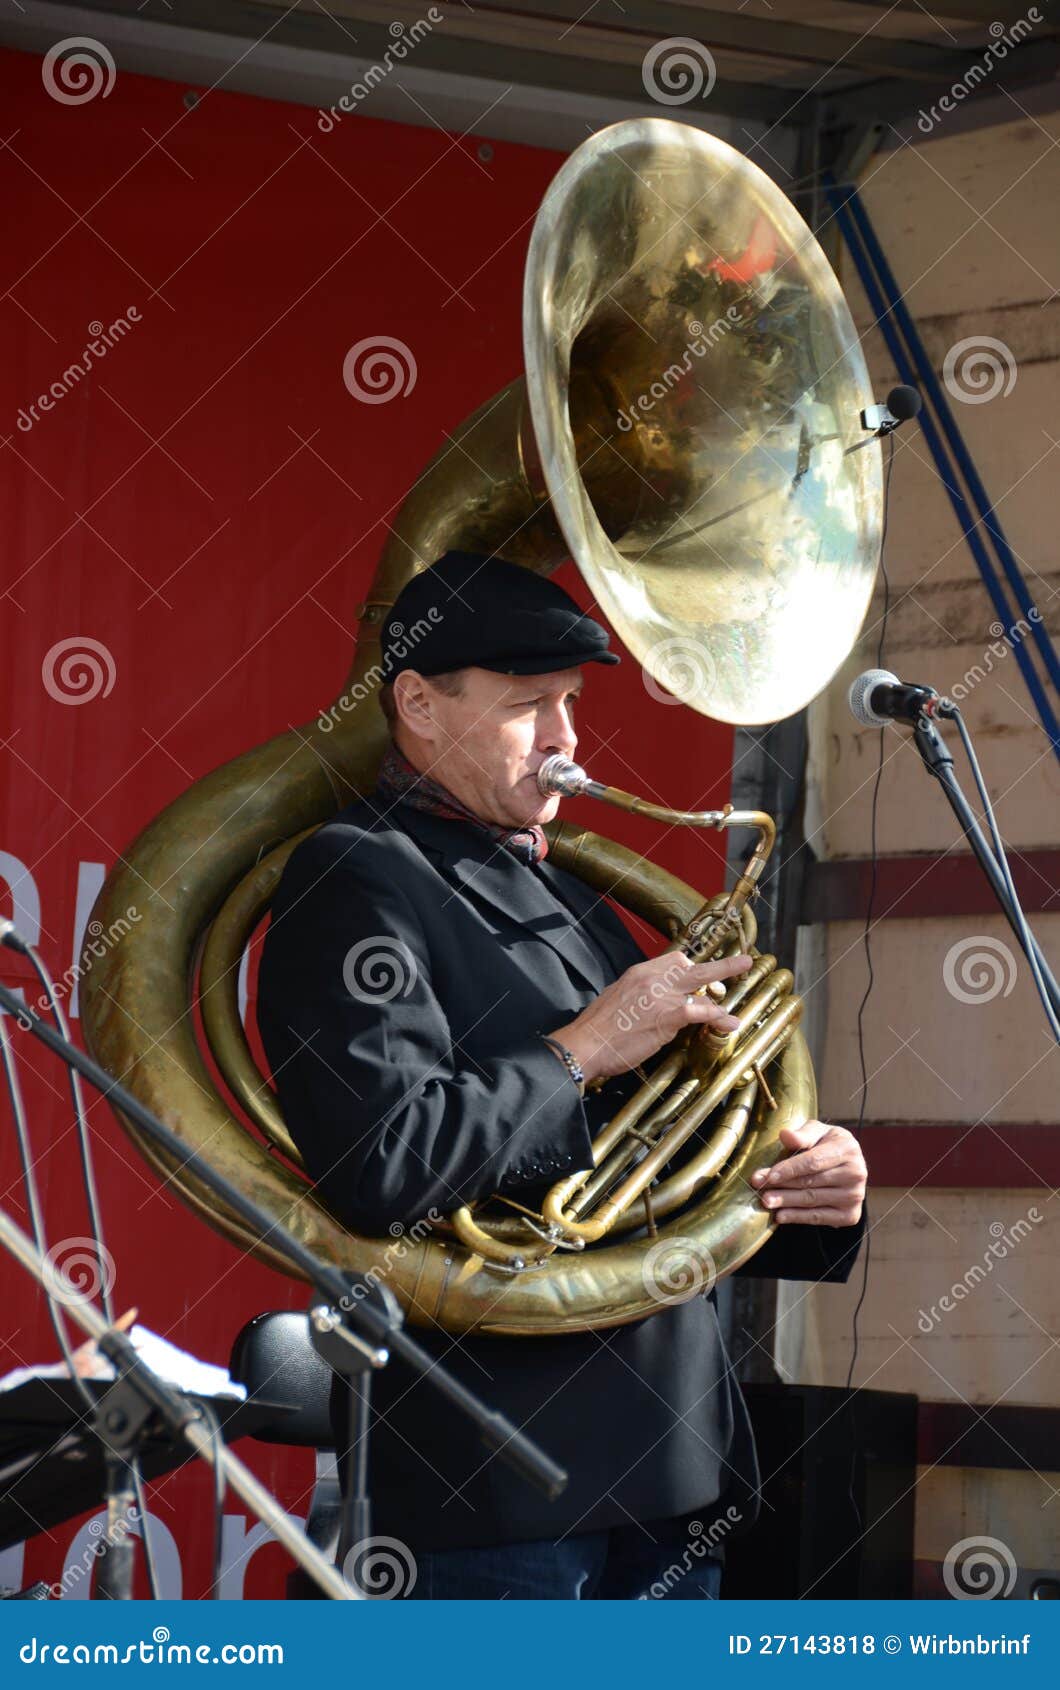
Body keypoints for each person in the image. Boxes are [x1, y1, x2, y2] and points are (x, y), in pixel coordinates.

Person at [256, 550, 867, 1601]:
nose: (565, 740)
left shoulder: (570, 890)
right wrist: (585, 1045)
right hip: (496, 1501)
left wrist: (812, 1186)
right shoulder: (355, 876)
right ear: (415, 703)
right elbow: (382, 1160)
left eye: (571, 703)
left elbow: (664, 1147)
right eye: (526, 704)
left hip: (673, 1473)